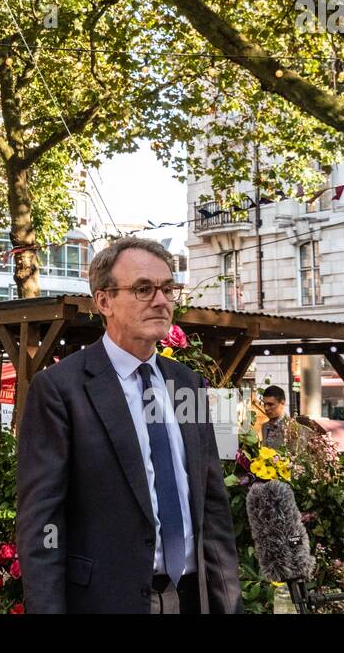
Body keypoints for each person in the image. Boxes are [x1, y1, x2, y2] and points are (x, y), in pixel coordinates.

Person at [16, 237, 243, 614]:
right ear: (104, 301)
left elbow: (213, 508)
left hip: (192, 599)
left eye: (168, 288)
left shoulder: (187, 384)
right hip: (106, 600)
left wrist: (228, 603)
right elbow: (42, 522)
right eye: (143, 289)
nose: (161, 300)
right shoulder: (60, 389)